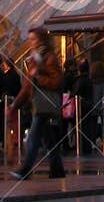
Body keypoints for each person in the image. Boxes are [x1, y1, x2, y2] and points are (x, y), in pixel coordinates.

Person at [11, 28, 66, 180]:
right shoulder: (35, 58)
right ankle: (57, 169)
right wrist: (16, 103)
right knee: (48, 139)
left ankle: (26, 169)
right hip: (38, 103)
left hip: (43, 104)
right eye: (29, 39)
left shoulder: (49, 58)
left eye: (33, 39)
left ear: (41, 40)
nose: (30, 42)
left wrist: (38, 77)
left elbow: (57, 81)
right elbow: (29, 84)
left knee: (33, 138)